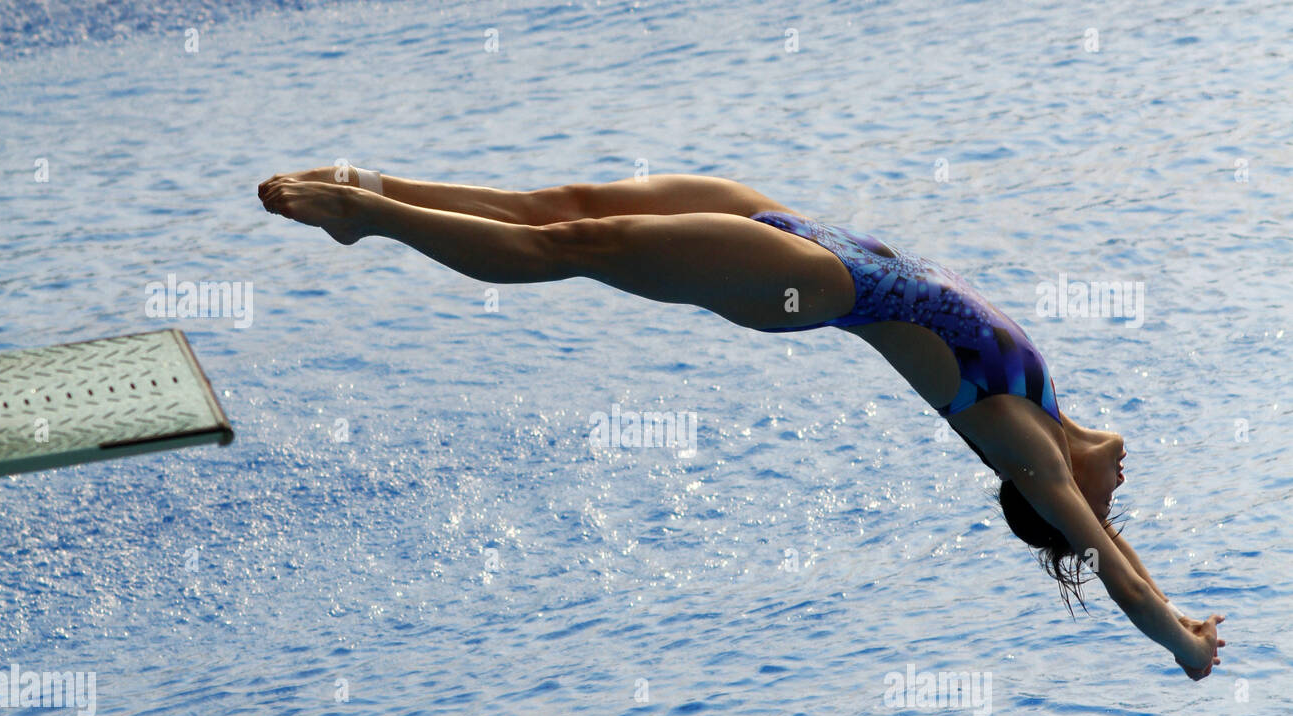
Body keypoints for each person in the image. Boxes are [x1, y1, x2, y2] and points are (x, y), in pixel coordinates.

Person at [258, 168, 1226, 680]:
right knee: (568, 205)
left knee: (576, 246)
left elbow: (1108, 565)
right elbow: (1117, 553)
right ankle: (381, 185)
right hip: (802, 231)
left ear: (1051, 503)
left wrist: (1176, 640)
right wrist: (1175, 606)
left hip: (806, 284)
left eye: (1102, 510)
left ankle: (368, 217)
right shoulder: (1046, 412)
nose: (1119, 497)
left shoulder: (1017, 443)